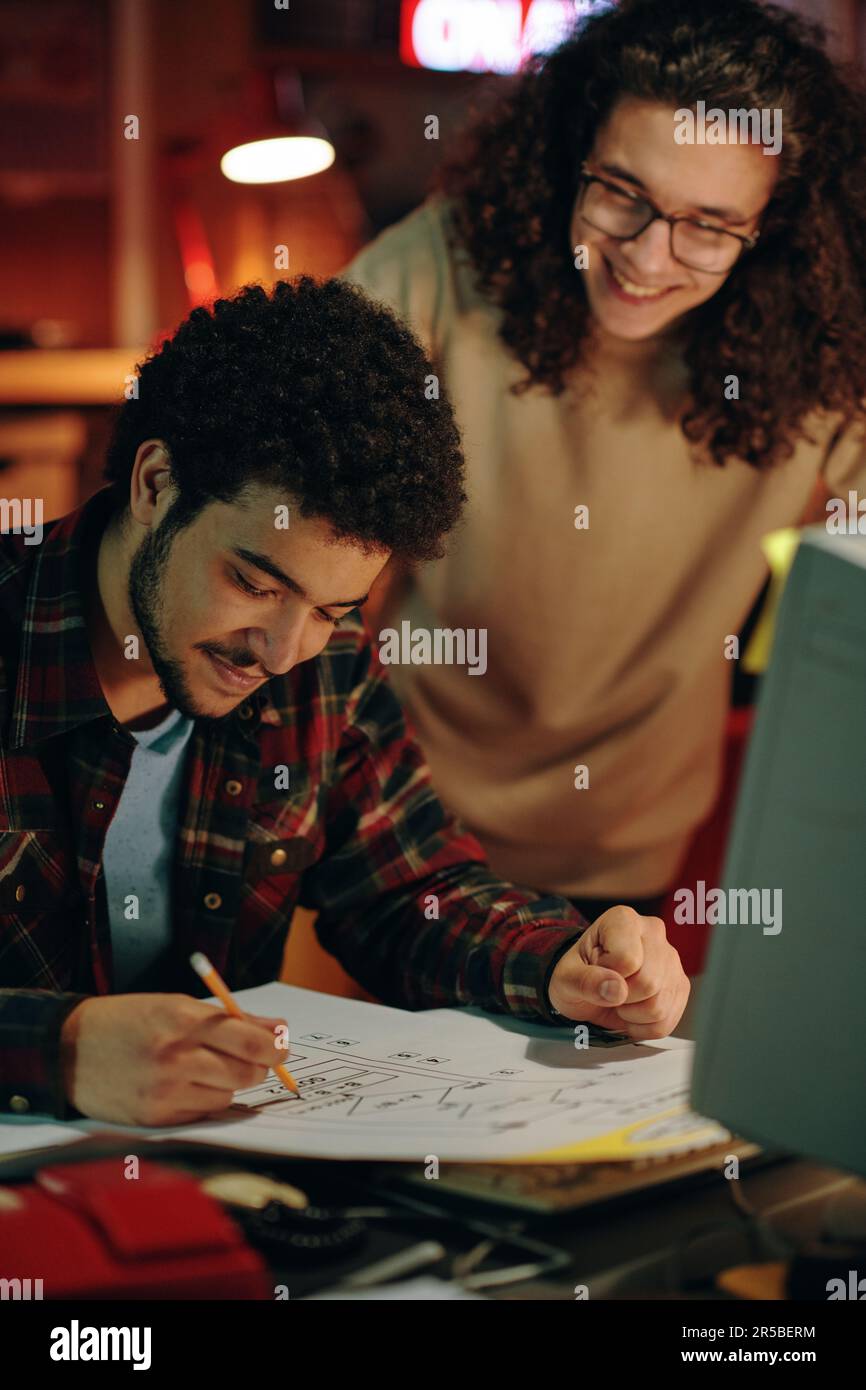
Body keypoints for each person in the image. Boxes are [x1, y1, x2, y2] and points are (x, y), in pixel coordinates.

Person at [0, 277, 689, 1129]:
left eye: (332, 611)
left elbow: (407, 892)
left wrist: (563, 963)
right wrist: (56, 1050)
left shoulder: (321, 671)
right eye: (253, 582)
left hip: (218, 1185)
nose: (284, 652)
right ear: (154, 484)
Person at [340, 0, 866, 920]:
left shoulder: (818, 352)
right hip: (405, 822)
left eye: (709, 226)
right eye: (621, 191)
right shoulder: (450, 261)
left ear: (773, 228)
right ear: (570, 157)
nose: (647, 258)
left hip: (629, 841)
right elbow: (303, 409)